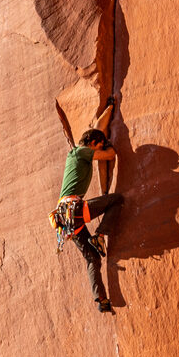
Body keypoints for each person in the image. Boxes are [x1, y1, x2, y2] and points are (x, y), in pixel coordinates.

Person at [52, 96, 123, 311]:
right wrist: (108, 146)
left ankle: (101, 300)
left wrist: (110, 107)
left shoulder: (77, 153)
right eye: (97, 145)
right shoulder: (81, 152)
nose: (98, 148)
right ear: (92, 145)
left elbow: (97, 129)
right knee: (117, 200)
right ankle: (100, 236)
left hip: (65, 220)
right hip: (73, 210)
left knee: (92, 259)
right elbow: (109, 155)